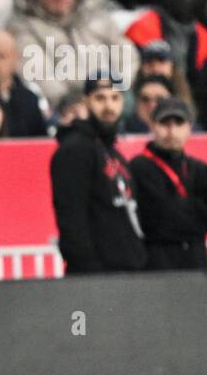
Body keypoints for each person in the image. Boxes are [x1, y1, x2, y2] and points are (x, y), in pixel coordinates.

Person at [49, 74, 147, 274]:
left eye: (115, 98)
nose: (108, 106)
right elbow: (71, 219)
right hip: (96, 277)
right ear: (86, 102)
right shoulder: (75, 149)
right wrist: (90, 273)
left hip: (128, 273)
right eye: (100, 98)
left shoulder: (114, 153)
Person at [129, 96, 207, 269]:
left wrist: (177, 209)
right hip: (156, 266)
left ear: (189, 127)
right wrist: (197, 210)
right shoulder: (137, 168)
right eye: (165, 123)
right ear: (152, 126)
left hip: (196, 264)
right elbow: (153, 219)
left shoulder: (202, 170)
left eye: (178, 123)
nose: (172, 130)